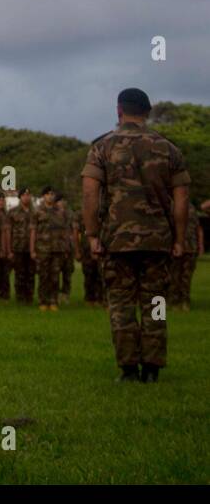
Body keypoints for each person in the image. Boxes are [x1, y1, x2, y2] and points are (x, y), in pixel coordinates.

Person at [82, 88, 189, 383]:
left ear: (119, 111)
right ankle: (152, 369)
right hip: (158, 240)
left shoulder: (102, 148)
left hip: (116, 240)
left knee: (121, 304)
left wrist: (92, 234)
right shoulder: (168, 149)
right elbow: (181, 201)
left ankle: (128, 369)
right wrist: (179, 239)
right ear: (148, 112)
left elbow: (89, 193)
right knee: (155, 303)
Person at [8, 189, 35, 305]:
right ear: (20, 197)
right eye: (24, 195)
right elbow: (8, 231)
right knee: (19, 274)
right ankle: (20, 297)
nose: (26, 197)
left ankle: (29, 297)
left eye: (28, 195)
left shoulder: (35, 212)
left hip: (31, 248)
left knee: (31, 273)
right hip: (18, 247)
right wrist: (9, 249)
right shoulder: (13, 212)